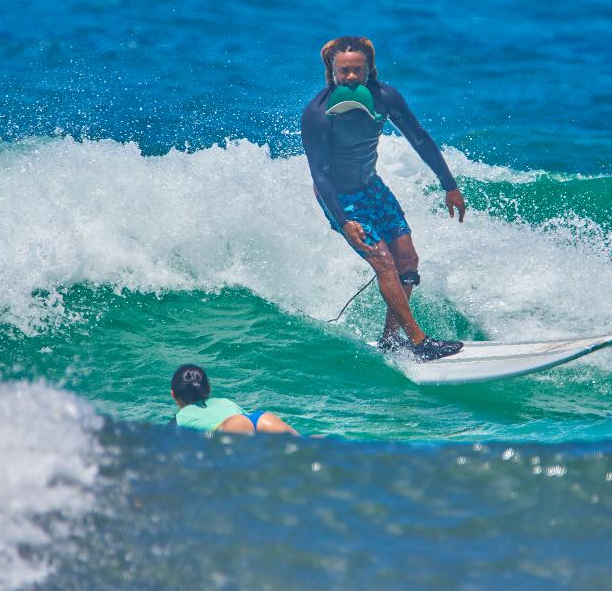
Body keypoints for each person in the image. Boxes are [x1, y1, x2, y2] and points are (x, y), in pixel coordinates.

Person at [301, 36, 466, 361]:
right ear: (332, 71)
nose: (351, 77)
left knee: (407, 260)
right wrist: (344, 221)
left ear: (369, 69)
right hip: (340, 198)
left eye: (358, 70)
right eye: (344, 71)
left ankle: (390, 339)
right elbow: (319, 175)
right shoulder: (317, 114)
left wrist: (449, 185)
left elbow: (419, 138)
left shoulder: (385, 98)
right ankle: (419, 342)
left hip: (372, 187)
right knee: (383, 263)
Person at [170, 364, 299, 436]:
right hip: (260, 419)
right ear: (208, 389)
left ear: (173, 395)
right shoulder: (225, 402)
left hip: (230, 429)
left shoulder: (178, 420)